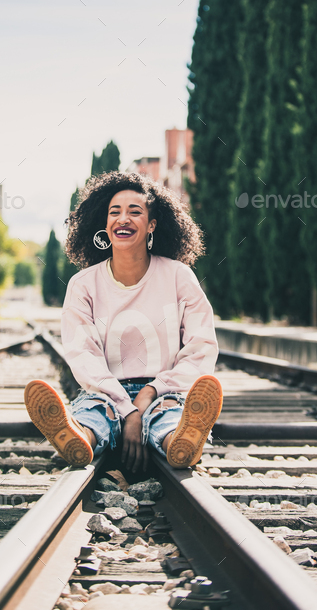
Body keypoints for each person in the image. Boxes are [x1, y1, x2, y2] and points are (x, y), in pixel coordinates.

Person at [24, 171, 222, 471]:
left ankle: (183, 443)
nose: (123, 219)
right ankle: (76, 437)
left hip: (163, 392)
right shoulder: (83, 284)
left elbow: (201, 346)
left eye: (135, 212)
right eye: (114, 212)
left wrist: (151, 392)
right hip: (104, 392)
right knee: (95, 414)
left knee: (167, 418)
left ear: (152, 224)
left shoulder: (179, 276)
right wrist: (126, 409)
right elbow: (83, 354)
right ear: (104, 224)